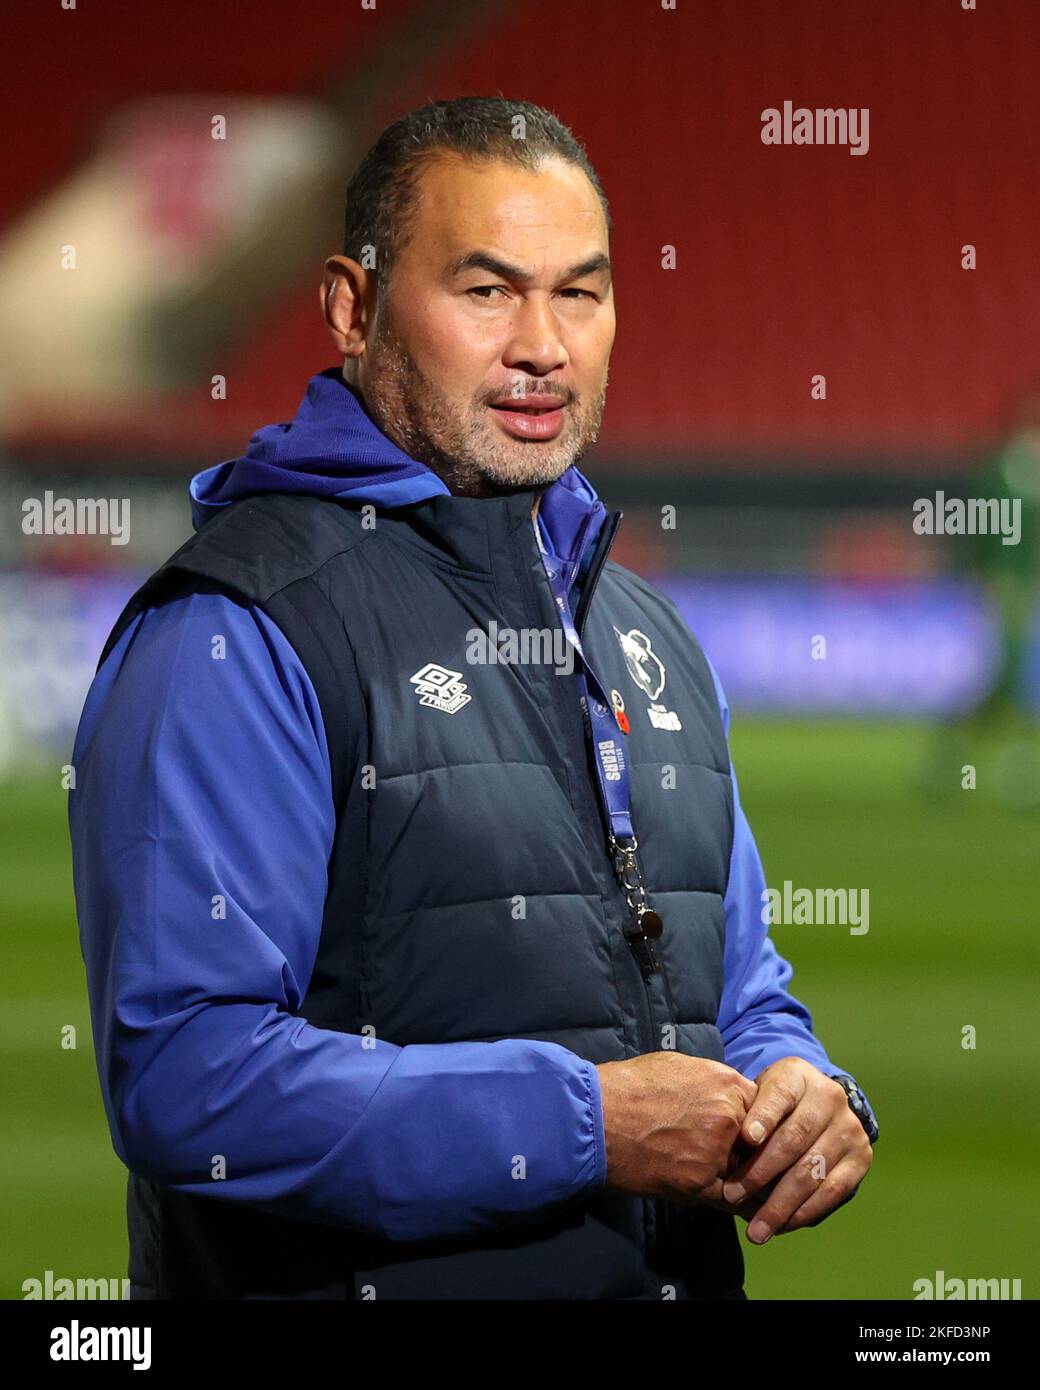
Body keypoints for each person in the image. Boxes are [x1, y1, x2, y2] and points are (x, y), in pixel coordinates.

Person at [70, 96, 876, 1301]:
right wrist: (585, 1123)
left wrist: (802, 1091)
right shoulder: (236, 630)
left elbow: (738, 994)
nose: (542, 346)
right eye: (487, 290)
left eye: (580, 292)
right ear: (354, 307)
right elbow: (190, 1079)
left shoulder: (644, 634)